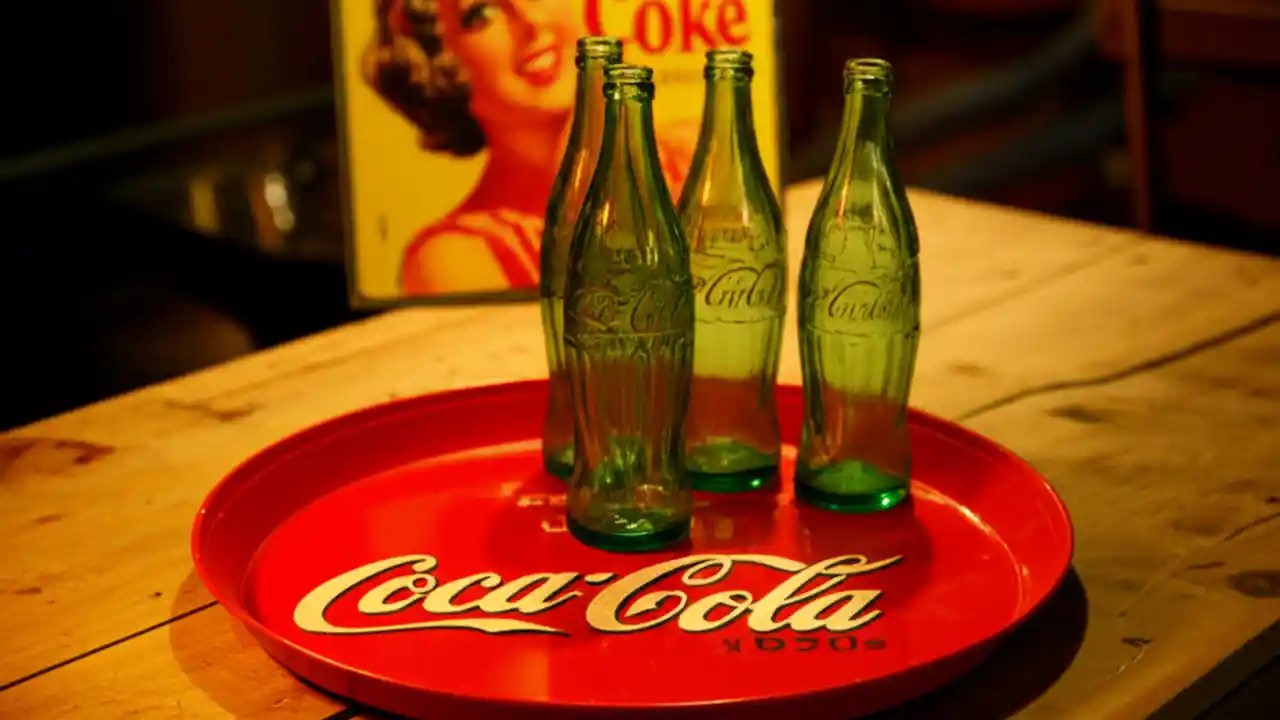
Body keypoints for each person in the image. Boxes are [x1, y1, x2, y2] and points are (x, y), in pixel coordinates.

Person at [364, 0, 693, 296]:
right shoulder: (452, 259)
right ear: (435, 68)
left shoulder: (691, 153)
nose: (532, 21)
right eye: (482, 13)